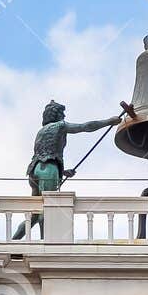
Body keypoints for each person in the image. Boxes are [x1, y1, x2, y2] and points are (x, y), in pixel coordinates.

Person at [12, 101, 122, 237]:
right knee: (47, 209)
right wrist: (108, 121)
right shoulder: (61, 125)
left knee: (34, 215)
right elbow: (85, 127)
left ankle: (15, 239)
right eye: (62, 113)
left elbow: (45, 153)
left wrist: (62, 171)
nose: (63, 115)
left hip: (34, 170)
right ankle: (45, 245)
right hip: (49, 169)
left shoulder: (41, 131)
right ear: (56, 114)